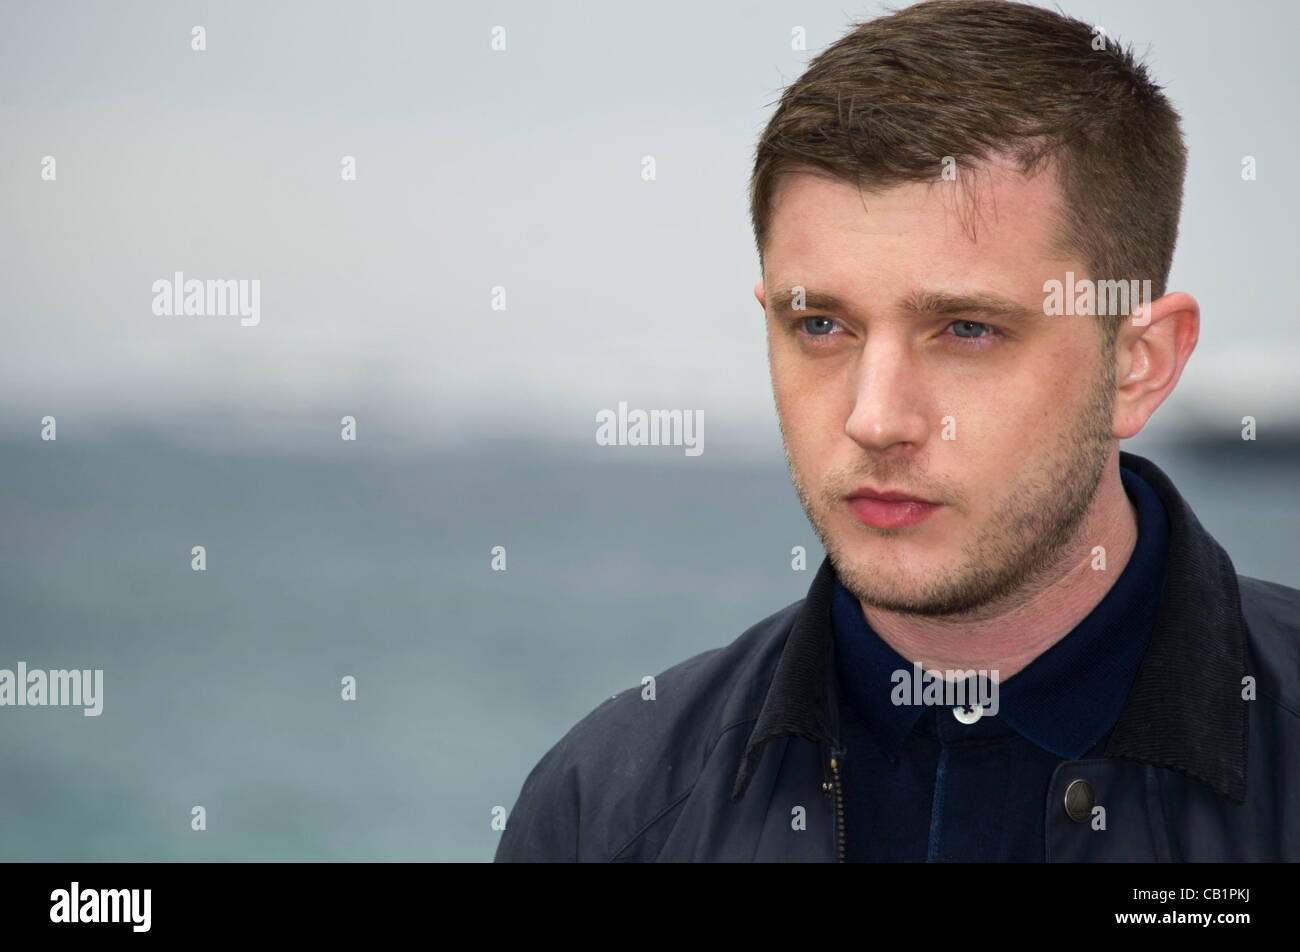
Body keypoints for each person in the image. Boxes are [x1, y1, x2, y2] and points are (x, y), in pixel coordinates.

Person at [495, 0, 1300, 862]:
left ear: (1137, 364)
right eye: (821, 327)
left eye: (966, 330)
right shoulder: (604, 811)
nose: (874, 420)